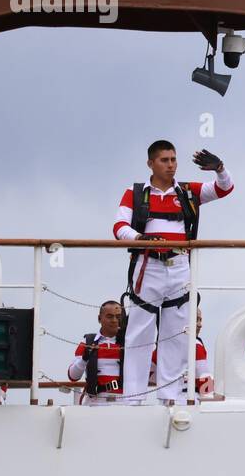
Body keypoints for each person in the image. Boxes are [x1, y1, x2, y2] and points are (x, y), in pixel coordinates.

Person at [113, 140, 233, 404]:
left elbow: (226, 188)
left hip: (180, 267)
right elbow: (119, 227)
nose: (171, 165)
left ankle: (170, 399)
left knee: (177, 334)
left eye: (173, 160)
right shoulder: (134, 193)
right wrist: (142, 238)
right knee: (139, 333)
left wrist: (219, 168)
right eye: (165, 160)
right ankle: (133, 399)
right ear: (151, 163)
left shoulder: (189, 191)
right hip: (148, 266)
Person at [67, 300, 125, 405]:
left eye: (118, 317)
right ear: (99, 319)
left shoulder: (130, 343)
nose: (114, 320)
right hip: (94, 403)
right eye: (109, 316)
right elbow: (73, 376)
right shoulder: (87, 342)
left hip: (124, 402)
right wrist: (84, 359)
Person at [149, 307, 213, 398]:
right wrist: (211, 398)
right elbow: (204, 379)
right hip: (188, 400)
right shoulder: (196, 346)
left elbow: (150, 377)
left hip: (164, 400)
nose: (200, 325)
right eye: (196, 320)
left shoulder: (162, 347)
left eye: (200, 320)